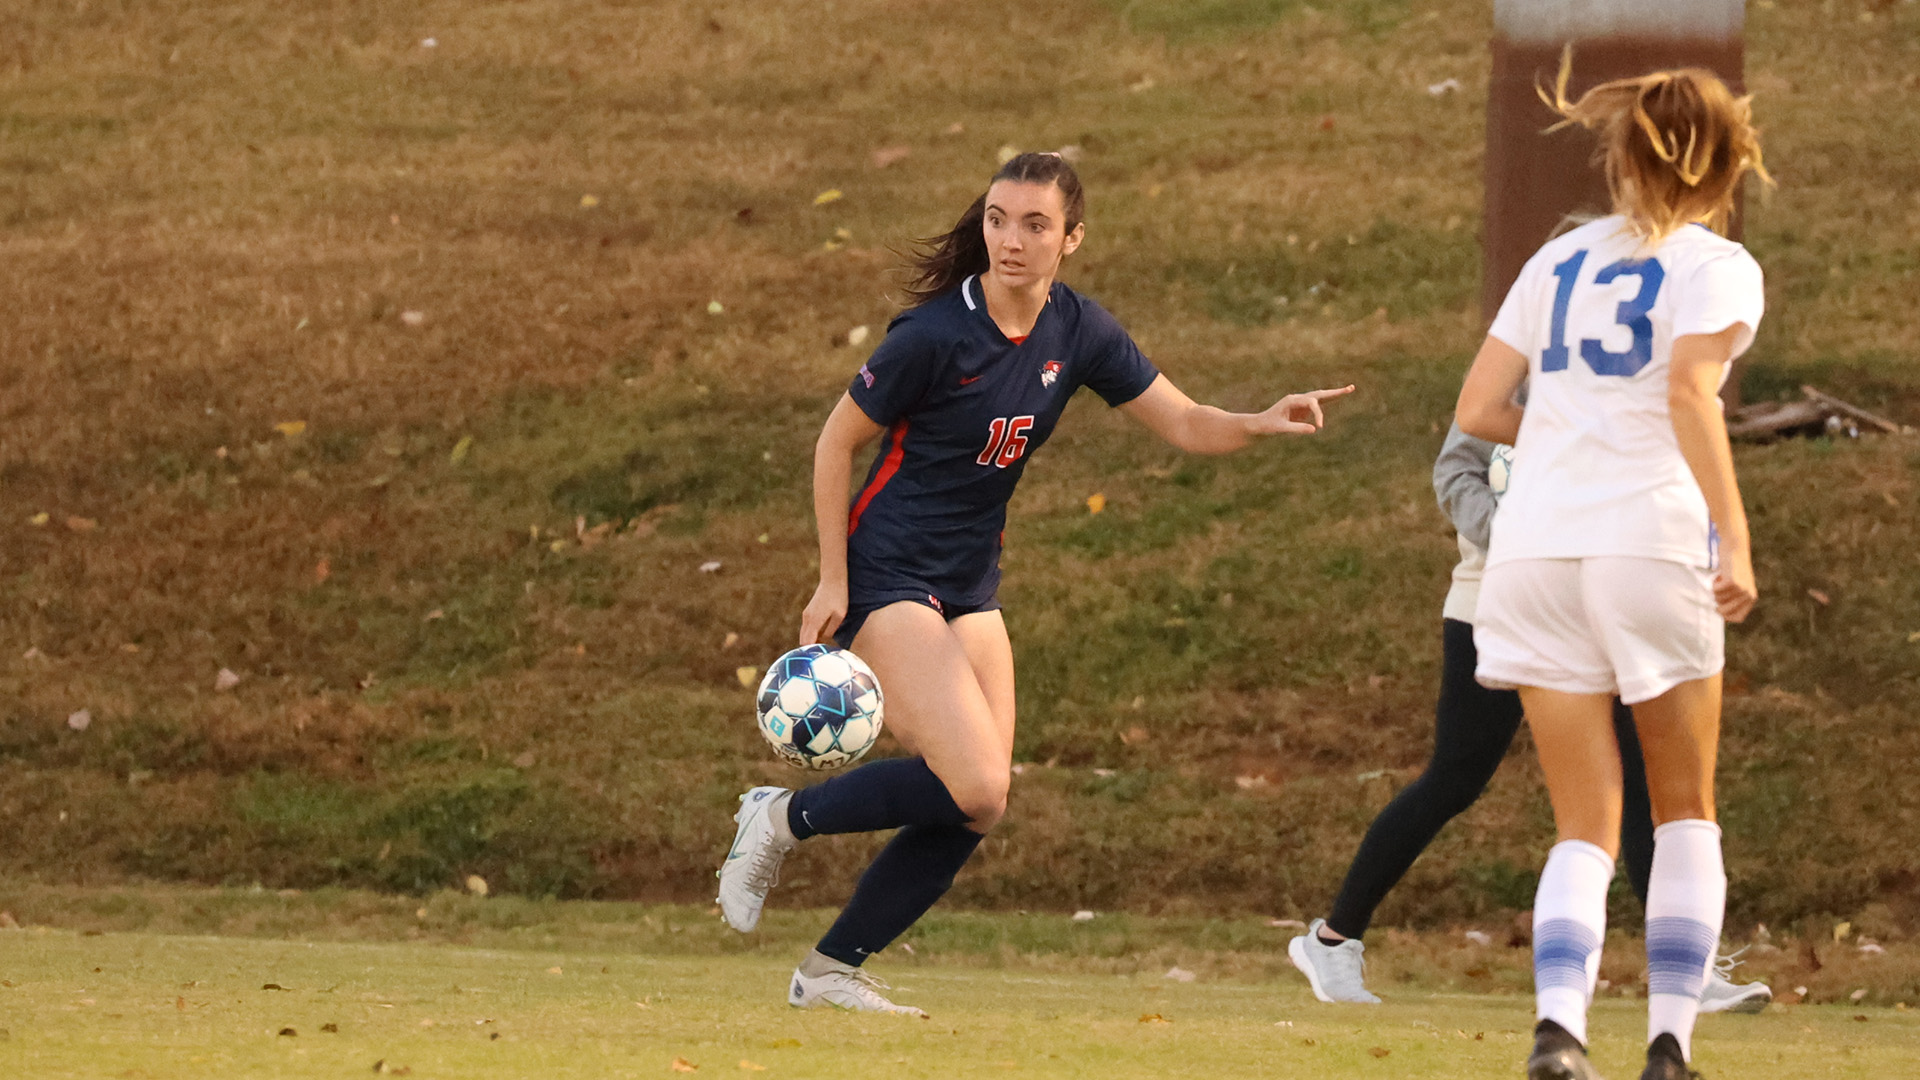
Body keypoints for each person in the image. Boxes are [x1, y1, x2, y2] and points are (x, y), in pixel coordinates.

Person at [714, 152, 1355, 1016]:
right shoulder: (934, 337)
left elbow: (1186, 422)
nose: (1011, 241)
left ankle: (830, 969)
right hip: (889, 568)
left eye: (1036, 225)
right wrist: (834, 574)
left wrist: (1259, 419)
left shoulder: (1079, 332)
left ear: (1073, 238)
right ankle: (779, 819)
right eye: (998, 220)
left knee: (981, 804)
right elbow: (836, 444)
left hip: (970, 585)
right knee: (972, 781)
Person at [1454, 56, 1770, 1080]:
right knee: (1683, 807)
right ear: (1730, 161)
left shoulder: (1557, 260)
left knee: (1583, 822)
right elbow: (1688, 393)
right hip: (1647, 541)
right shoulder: (1717, 264)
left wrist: (1563, 433)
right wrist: (1734, 532)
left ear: (1623, 153)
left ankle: (1559, 1032)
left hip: (1535, 547)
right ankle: (1670, 1047)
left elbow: (1478, 411)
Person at [1287, 428, 1769, 1017]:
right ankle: (1332, 941)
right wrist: (1523, 540)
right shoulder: (1510, 369)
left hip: (1599, 604)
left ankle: (1685, 967)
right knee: (1455, 777)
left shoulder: (1616, 379)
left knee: (1642, 780)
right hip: (1491, 606)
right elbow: (1455, 475)